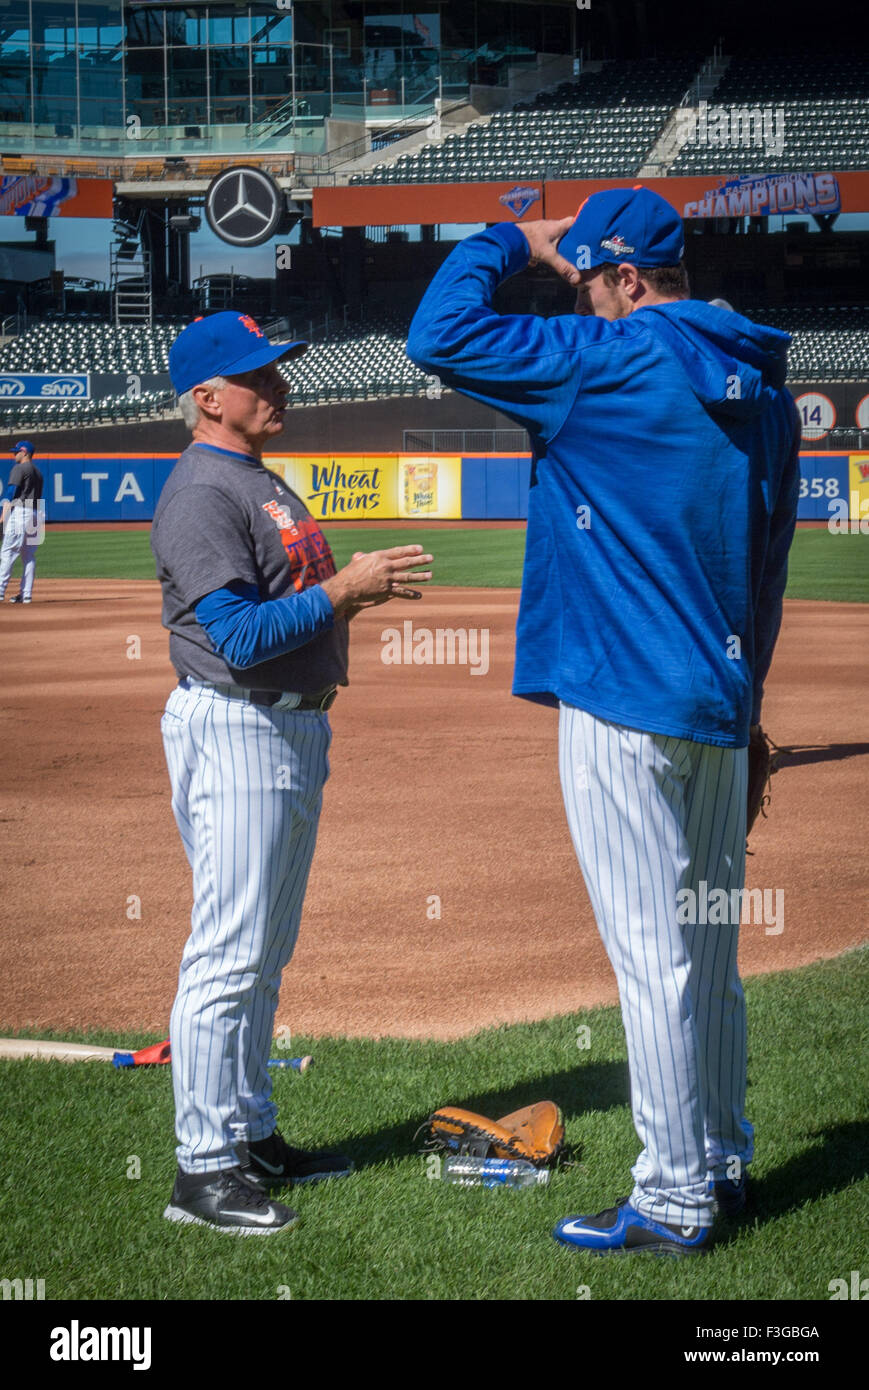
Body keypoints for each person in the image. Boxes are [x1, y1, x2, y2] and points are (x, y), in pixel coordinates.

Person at [407, 188, 800, 1256]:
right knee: (707, 952)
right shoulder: (763, 386)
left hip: (618, 705)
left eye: (582, 280)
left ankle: (671, 1198)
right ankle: (719, 1159)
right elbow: (766, 570)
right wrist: (749, 707)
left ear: (627, 279)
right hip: (713, 708)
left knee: (651, 957)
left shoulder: (600, 357)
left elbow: (434, 334)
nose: (572, 296)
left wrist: (507, 241)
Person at [152, 311, 432, 1235]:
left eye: (277, 370)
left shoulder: (257, 477)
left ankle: (251, 1135)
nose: (278, 385)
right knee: (227, 952)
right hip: (237, 726)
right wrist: (345, 588)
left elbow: (289, 608)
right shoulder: (200, 491)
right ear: (207, 398)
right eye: (257, 376)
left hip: (286, 731)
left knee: (265, 952)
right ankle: (202, 1171)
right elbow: (233, 636)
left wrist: (345, 593)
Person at [0, 441, 44, 604]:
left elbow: (11, 493)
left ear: (25, 453)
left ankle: (0, 590)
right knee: (29, 556)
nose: (14, 454)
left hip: (21, 512)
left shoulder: (19, 468)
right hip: (37, 513)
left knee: (8, 552)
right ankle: (26, 594)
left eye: (17, 451)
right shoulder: (38, 472)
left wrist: (2, 516)